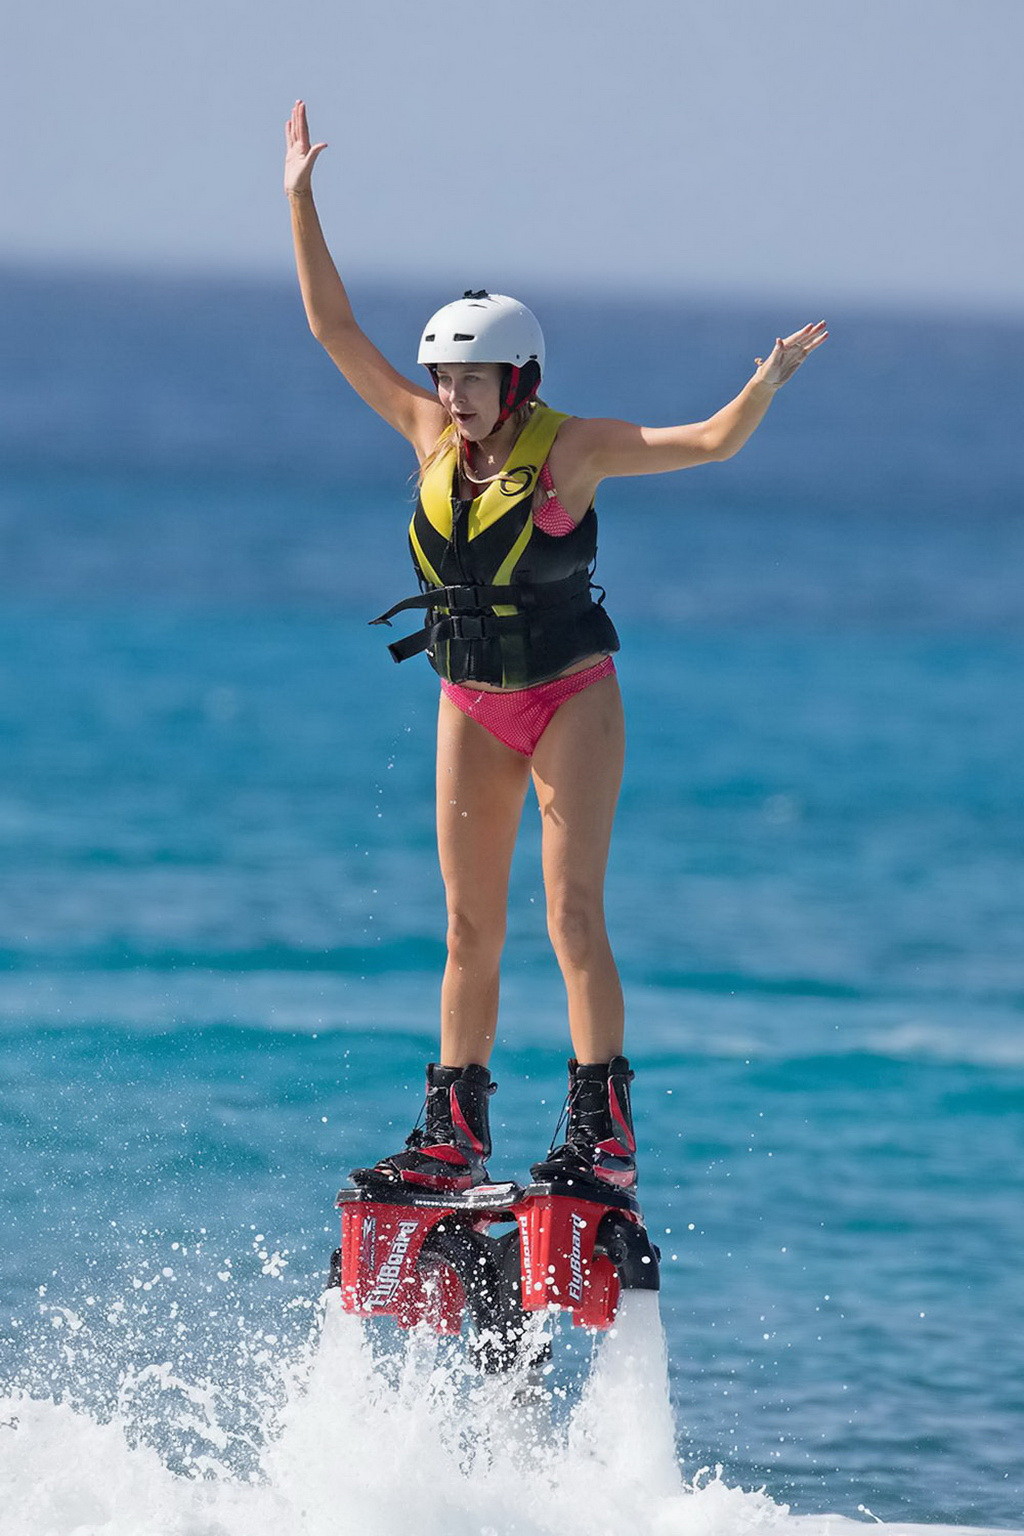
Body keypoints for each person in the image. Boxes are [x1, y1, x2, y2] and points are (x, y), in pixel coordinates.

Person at [284, 100, 827, 1199]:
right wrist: (300, 200)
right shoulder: (430, 436)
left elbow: (710, 443)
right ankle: (452, 1132)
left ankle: (602, 1132)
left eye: (470, 380)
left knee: (570, 912)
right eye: (442, 378)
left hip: (570, 693)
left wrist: (759, 388)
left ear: (517, 381)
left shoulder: (571, 453)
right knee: (466, 922)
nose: (450, 396)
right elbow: (334, 332)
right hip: (469, 698)